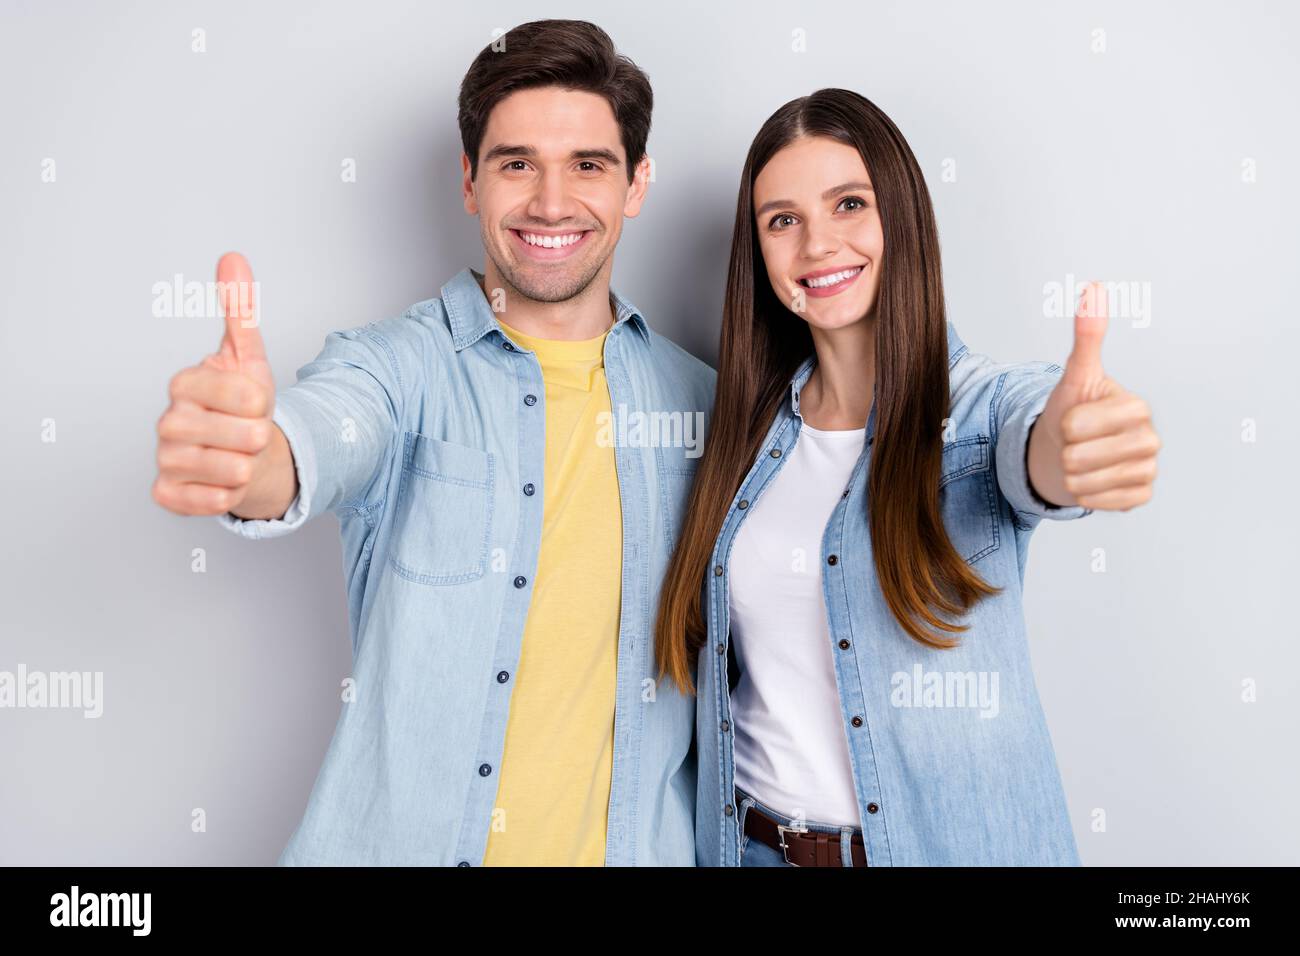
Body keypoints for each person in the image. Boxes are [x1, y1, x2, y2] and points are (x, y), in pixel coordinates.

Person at [152, 19, 714, 866]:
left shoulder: (703, 405)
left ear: (636, 184)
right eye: (516, 163)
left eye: (588, 165)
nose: (551, 202)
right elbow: (321, 435)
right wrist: (252, 456)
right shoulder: (393, 367)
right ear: (469, 181)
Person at [655, 88, 1160, 867]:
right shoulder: (744, 435)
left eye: (849, 204)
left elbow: (1039, 452)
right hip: (750, 848)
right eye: (782, 220)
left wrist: (1075, 450)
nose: (818, 245)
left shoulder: (982, 409)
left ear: (902, 216)